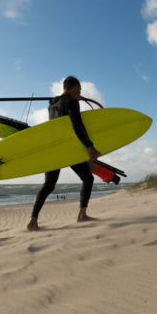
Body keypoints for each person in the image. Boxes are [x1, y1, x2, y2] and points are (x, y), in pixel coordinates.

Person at [27, 76, 101, 231]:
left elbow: (61, 111)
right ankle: (82, 214)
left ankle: (33, 220)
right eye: (79, 89)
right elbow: (77, 125)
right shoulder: (71, 102)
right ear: (73, 87)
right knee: (88, 178)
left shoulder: (52, 104)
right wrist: (89, 146)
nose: (80, 92)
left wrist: (73, 98)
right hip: (67, 149)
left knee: (48, 185)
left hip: (53, 149)